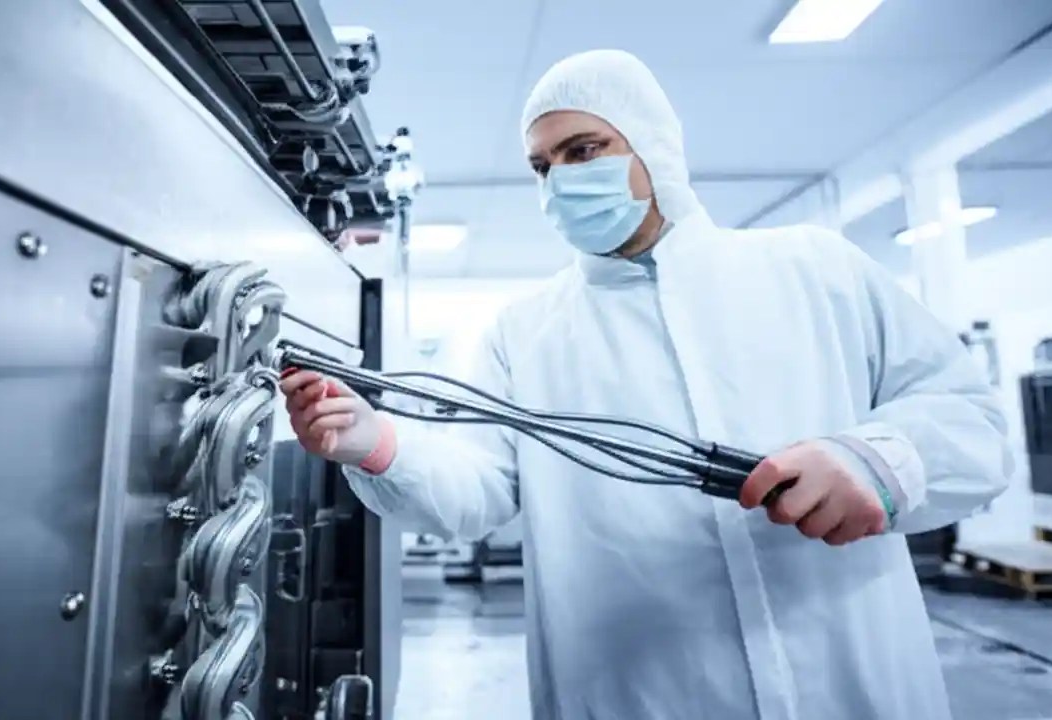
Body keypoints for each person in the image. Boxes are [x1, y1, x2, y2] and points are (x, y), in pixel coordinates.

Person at [279, 49, 1012, 720]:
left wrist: (876, 462)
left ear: (654, 146)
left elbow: (970, 423)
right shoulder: (527, 330)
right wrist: (375, 443)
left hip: (853, 685)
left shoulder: (815, 270)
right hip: (637, 692)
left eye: (584, 150)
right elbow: (481, 489)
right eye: (542, 166)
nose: (561, 180)